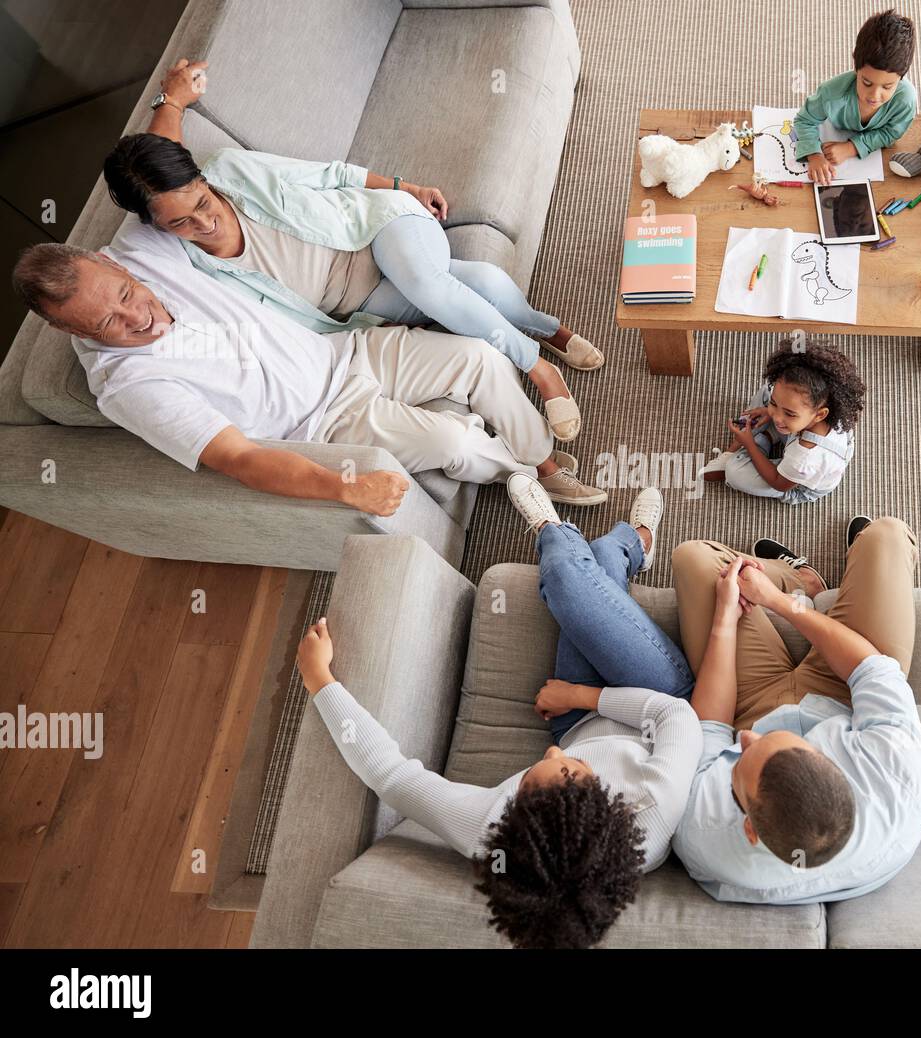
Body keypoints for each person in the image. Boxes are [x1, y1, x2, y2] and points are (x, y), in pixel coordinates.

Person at [101, 57, 598, 443]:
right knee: (477, 285)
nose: (204, 222)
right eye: (180, 223)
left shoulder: (230, 169)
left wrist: (407, 186)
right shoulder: (178, 262)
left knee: (427, 283)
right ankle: (548, 327)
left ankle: (538, 367)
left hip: (378, 227)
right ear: (154, 226)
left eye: (203, 202)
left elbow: (331, 175)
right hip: (360, 301)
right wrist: (170, 104)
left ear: (202, 177)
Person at [294, 483, 702, 948]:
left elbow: (391, 775)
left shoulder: (493, 830)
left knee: (593, 574)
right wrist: (584, 696)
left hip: (578, 718)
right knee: (579, 578)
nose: (549, 748)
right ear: (609, 804)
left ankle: (583, 536)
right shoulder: (651, 808)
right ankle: (623, 540)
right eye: (571, 766)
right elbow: (677, 716)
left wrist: (319, 682)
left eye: (531, 776)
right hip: (652, 700)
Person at [10, 221, 607, 513]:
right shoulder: (128, 387)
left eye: (123, 295)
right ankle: (520, 477)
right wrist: (344, 488)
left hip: (343, 351)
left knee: (479, 356)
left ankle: (542, 462)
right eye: (105, 325)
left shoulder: (138, 251)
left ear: (112, 265)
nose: (134, 318)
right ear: (71, 332)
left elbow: (157, 169)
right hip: (323, 423)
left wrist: (174, 98)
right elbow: (239, 460)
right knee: (452, 438)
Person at [667, 516, 921, 904]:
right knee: (885, 535)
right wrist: (780, 603)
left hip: (749, 702)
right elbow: (869, 667)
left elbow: (712, 726)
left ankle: (794, 581)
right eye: (768, 742)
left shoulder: (703, 830)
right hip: (843, 696)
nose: (745, 738)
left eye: (742, 759)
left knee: (693, 559)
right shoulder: (895, 769)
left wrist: (726, 617)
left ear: (750, 830)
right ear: (829, 757)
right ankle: (803, 584)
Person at [700, 338, 864, 505]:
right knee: (767, 391)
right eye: (774, 404)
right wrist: (769, 410)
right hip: (799, 435)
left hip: (793, 483)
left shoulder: (805, 458)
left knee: (735, 473)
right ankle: (742, 446)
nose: (777, 416)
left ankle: (756, 442)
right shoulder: (810, 414)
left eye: (789, 413)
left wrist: (749, 444)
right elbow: (780, 409)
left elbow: (779, 483)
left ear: (820, 415)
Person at [796, 9, 918, 186]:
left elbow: (891, 133)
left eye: (887, 86)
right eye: (867, 83)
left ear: (902, 76)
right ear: (855, 65)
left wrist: (852, 147)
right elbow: (804, 120)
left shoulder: (906, 100)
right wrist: (814, 155)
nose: (875, 96)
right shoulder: (831, 93)